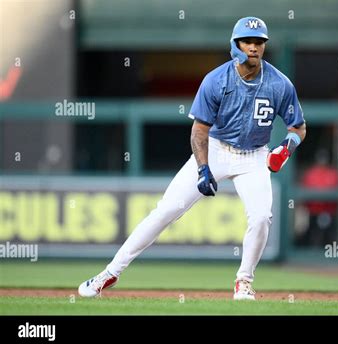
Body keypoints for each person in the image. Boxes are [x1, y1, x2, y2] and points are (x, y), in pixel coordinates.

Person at [78, 17, 306, 300]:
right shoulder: (216, 80)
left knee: (261, 218)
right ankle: (109, 273)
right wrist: (203, 168)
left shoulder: (279, 83)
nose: (254, 47)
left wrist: (286, 148)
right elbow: (199, 130)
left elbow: (298, 126)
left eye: (259, 42)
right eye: (248, 41)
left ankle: (244, 282)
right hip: (217, 148)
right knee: (165, 211)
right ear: (235, 45)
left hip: (254, 156)